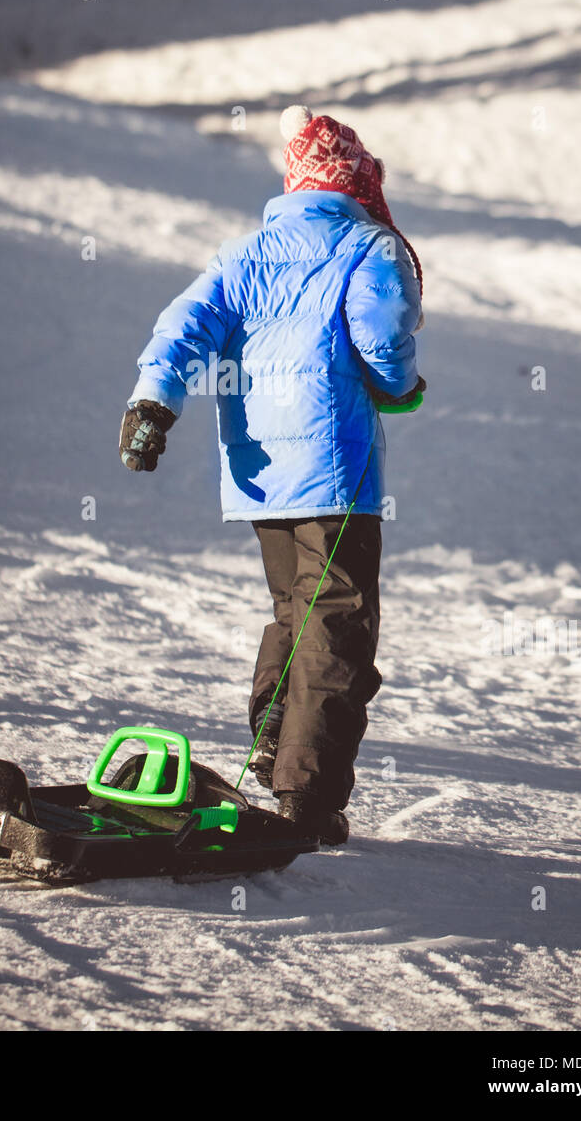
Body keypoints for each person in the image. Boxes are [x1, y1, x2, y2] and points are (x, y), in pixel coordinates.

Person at [119, 105, 424, 844]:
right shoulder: (368, 243)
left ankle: (273, 742)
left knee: (299, 611)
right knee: (338, 625)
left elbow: (182, 325)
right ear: (356, 183)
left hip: (261, 475)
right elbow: (382, 332)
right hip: (335, 470)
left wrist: (153, 401)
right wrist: (399, 384)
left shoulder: (243, 253)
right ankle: (305, 796)